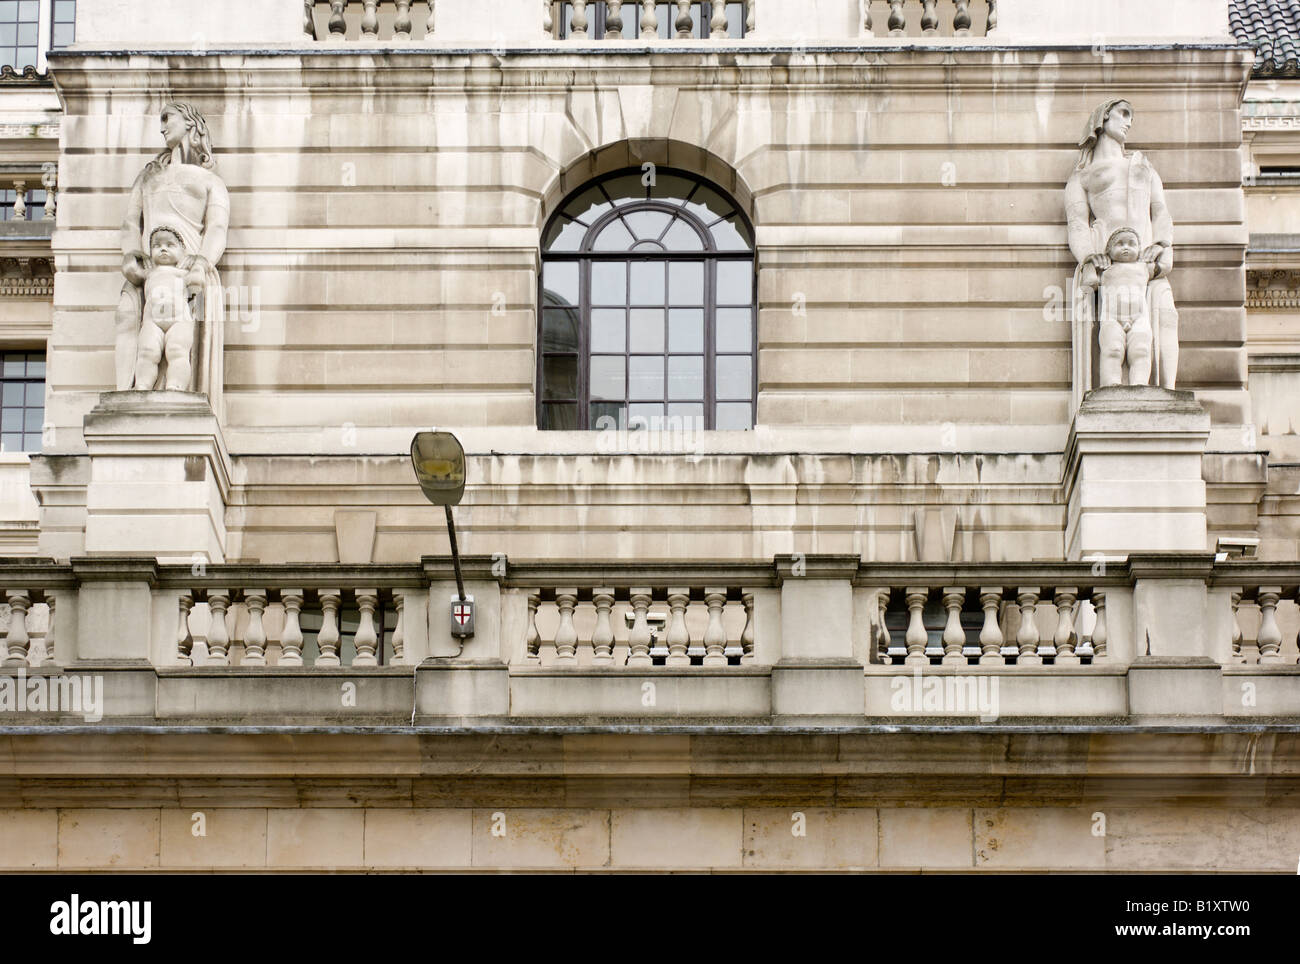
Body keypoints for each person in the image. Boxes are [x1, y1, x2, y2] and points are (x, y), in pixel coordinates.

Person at [1065, 99, 1179, 407]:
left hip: (1146, 264)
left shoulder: (1143, 166)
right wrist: (1089, 257)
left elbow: (1160, 211)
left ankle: (1168, 396)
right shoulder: (1082, 176)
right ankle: (1109, 393)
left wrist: (1163, 245)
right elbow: (1077, 224)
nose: (1129, 122)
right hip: (1109, 270)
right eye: (1123, 114)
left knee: (1165, 319)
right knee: (1112, 343)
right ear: (1103, 117)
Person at [116, 103, 228, 410]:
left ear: (191, 123)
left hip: (189, 275)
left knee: (180, 345)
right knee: (131, 322)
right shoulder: (147, 177)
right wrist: (130, 255)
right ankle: (129, 391)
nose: (162, 126)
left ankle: (178, 392)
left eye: (168, 118)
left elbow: (217, 228)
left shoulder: (211, 182)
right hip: (149, 273)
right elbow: (130, 222)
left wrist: (202, 262)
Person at [134, 227, 204, 391]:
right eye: (157, 245)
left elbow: (197, 282)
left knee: (177, 351)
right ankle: (142, 384)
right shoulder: (149, 273)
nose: (163, 248)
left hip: (179, 320)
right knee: (147, 351)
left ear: (182, 251)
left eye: (170, 245)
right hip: (152, 321)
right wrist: (133, 255)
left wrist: (198, 265)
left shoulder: (182, 273)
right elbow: (131, 271)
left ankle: (176, 385)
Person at [1088, 226, 1155, 387]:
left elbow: (1166, 265)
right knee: (1112, 350)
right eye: (1120, 244)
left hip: (1139, 318)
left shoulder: (1144, 267)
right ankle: (1111, 384)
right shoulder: (1105, 269)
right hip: (1112, 318)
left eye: (1132, 244)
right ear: (1109, 251)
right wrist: (1090, 263)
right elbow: (1089, 283)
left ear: (1139, 249)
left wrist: (1161, 245)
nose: (1126, 247)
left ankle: (1140, 384)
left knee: (1141, 350)